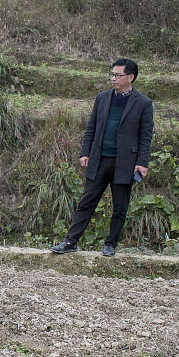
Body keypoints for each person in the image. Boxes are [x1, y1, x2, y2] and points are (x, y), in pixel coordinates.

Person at [51, 58, 154, 257]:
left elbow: (145, 136)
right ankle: (70, 241)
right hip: (99, 159)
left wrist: (142, 163)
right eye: (112, 74)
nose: (113, 78)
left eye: (118, 75)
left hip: (125, 162)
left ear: (131, 77)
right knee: (86, 202)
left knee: (119, 207)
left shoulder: (143, 103)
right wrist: (85, 152)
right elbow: (91, 127)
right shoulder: (102, 98)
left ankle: (110, 244)